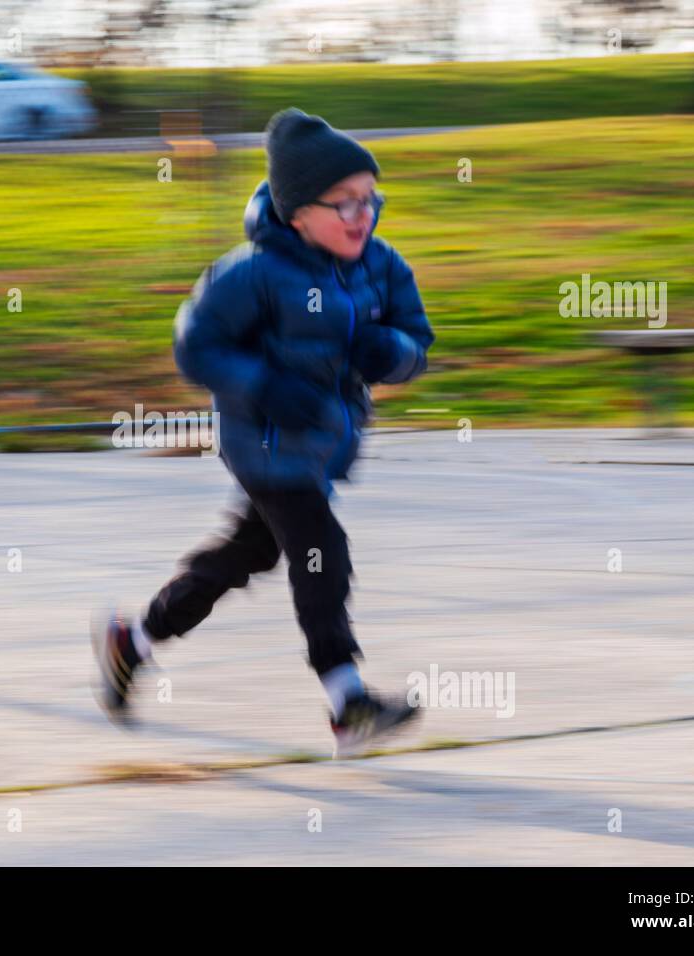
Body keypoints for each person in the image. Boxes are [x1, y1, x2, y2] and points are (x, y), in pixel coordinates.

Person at [93, 108, 435, 750]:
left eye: (370, 198)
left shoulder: (381, 265)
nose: (363, 215)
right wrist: (267, 387)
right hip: (264, 441)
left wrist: (389, 352)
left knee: (249, 553)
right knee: (318, 548)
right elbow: (196, 346)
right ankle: (346, 701)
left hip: (322, 445)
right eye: (344, 203)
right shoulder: (251, 273)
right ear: (298, 211)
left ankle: (133, 641)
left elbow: (419, 340)